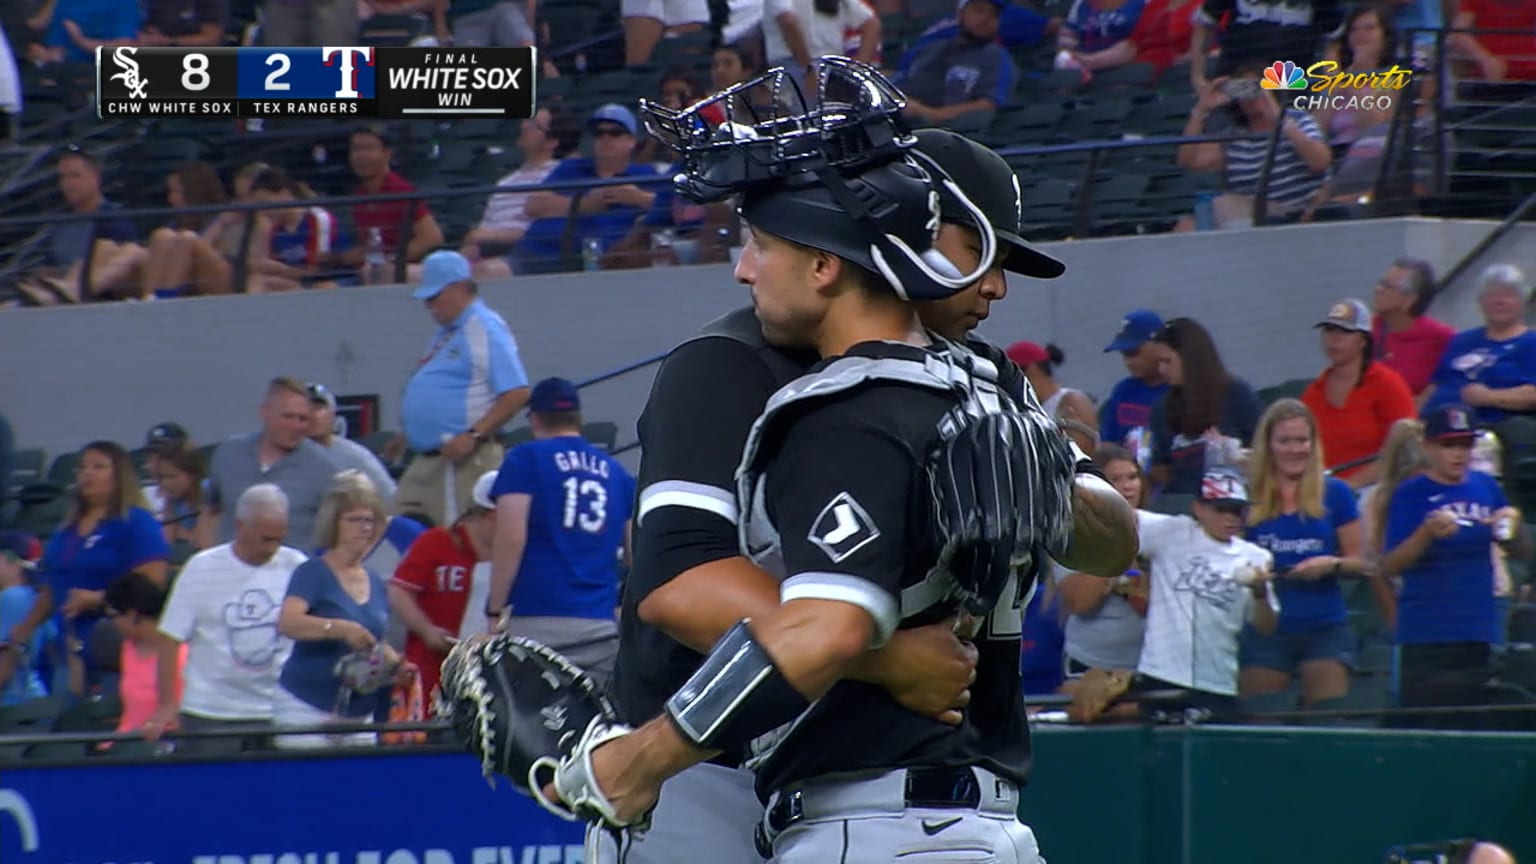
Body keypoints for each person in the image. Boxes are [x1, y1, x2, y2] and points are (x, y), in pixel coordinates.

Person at [552, 58, 1136, 862]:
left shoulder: (979, 378)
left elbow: (1110, 540)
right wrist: (885, 659)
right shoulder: (728, 362)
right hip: (710, 766)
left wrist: (1050, 480)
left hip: (866, 789)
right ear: (905, 225)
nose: (995, 283)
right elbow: (679, 584)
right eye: (984, 249)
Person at [1381, 404, 1528, 728]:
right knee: (1426, 724)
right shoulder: (1412, 493)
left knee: (1473, 724)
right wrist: (1426, 533)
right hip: (1426, 633)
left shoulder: (1487, 487)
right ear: (1428, 447)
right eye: (1449, 445)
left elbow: (1521, 552)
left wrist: (1512, 525)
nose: (1459, 454)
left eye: (1465, 444)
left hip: (1476, 628)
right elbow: (1390, 564)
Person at [485, 378, 635, 688]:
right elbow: (638, 554)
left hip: (536, 621)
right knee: (595, 725)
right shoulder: (616, 472)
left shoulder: (523, 459)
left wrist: (494, 608)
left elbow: (512, 537)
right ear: (578, 419)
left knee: (536, 726)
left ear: (535, 419)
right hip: (600, 624)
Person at [147, 485, 308, 755]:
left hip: (279, 710)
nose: (272, 548)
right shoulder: (201, 568)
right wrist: (166, 704)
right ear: (240, 526)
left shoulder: (296, 565)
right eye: (265, 539)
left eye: (278, 539)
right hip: (211, 712)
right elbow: (169, 638)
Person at [1238, 400, 1373, 706]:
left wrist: (1332, 564)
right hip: (1265, 627)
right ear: (1268, 446)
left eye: (1302, 440)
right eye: (1285, 441)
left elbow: (1362, 561)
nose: (1295, 449)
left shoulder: (1336, 493)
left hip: (1324, 627)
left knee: (1327, 722)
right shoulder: (1247, 497)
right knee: (1260, 721)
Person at [395, 250, 531, 527]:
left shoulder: (484, 327)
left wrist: (473, 435)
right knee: (398, 529)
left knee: (461, 540)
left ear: (458, 288)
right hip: (430, 459)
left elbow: (517, 392)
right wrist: (409, 432)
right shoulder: (446, 332)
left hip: (467, 460)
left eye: (434, 297)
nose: (428, 305)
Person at [274, 472, 403, 749]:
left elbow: (374, 637)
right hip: (306, 707)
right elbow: (288, 623)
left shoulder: (375, 580)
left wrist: (392, 660)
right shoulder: (312, 572)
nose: (364, 528)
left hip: (360, 712)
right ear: (334, 523)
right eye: (355, 520)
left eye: (370, 521)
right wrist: (341, 629)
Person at [389, 471, 500, 708]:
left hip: (489, 670)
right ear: (491, 515)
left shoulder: (517, 553)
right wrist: (427, 630)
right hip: (431, 665)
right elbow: (399, 591)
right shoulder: (437, 542)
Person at [0, 532, 51, 707]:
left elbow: (5, 666)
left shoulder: (11, 597)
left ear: (11, 561)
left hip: (13, 703)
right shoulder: (38, 598)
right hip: (35, 699)